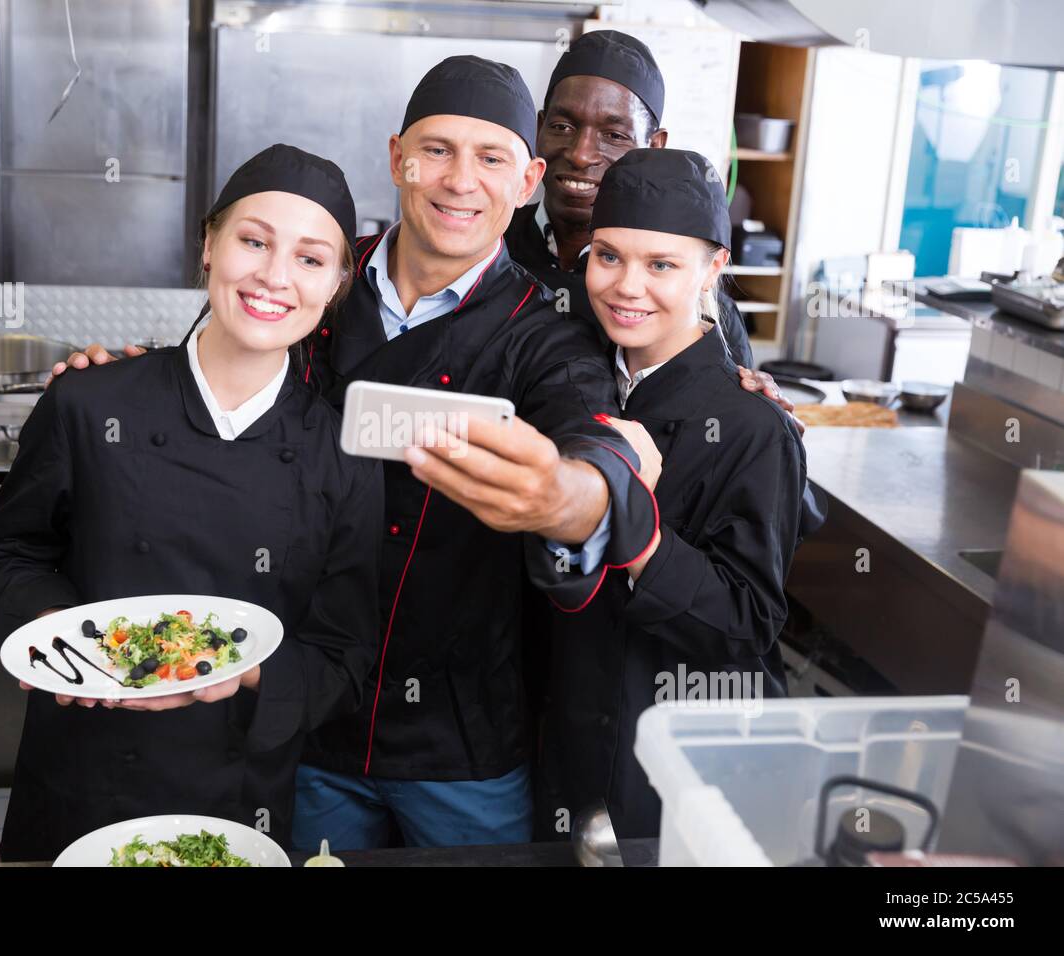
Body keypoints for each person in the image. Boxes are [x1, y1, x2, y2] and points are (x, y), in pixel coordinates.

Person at [53, 56, 665, 850]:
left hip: (461, 738)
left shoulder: (546, 330)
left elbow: (594, 446)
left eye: (491, 159)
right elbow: (219, 370)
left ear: (527, 181)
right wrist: (121, 385)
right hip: (300, 710)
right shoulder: (317, 269)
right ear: (396, 158)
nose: (459, 181)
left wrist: (570, 496)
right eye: (436, 149)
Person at [0, 145, 384, 861]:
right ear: (208, 247)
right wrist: (64, 642)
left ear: (337, 285)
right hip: (82, 772)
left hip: (238, 794)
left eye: (311, 260)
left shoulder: (343, 455)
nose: (275, 277)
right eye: (253, 241)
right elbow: (8, 552)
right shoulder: (89, 401)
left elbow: (345, 655)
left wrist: (235, 668)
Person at [533, 148, 810, 839]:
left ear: (713, 268)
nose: (628, 287)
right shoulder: (569, 383)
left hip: (681, 765)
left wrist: (640, 536)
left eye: (662, 265)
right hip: (566, 737)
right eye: (609, 256)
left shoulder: (752, 425)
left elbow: (746, 622)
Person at [503, 29, 764, 379]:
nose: (581, 155)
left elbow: (728, 417)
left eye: (614, 135)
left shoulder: (703, 315)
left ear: (654, 146)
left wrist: (760, 411)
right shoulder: (489, 250)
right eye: (563, 126)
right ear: (538, 129)